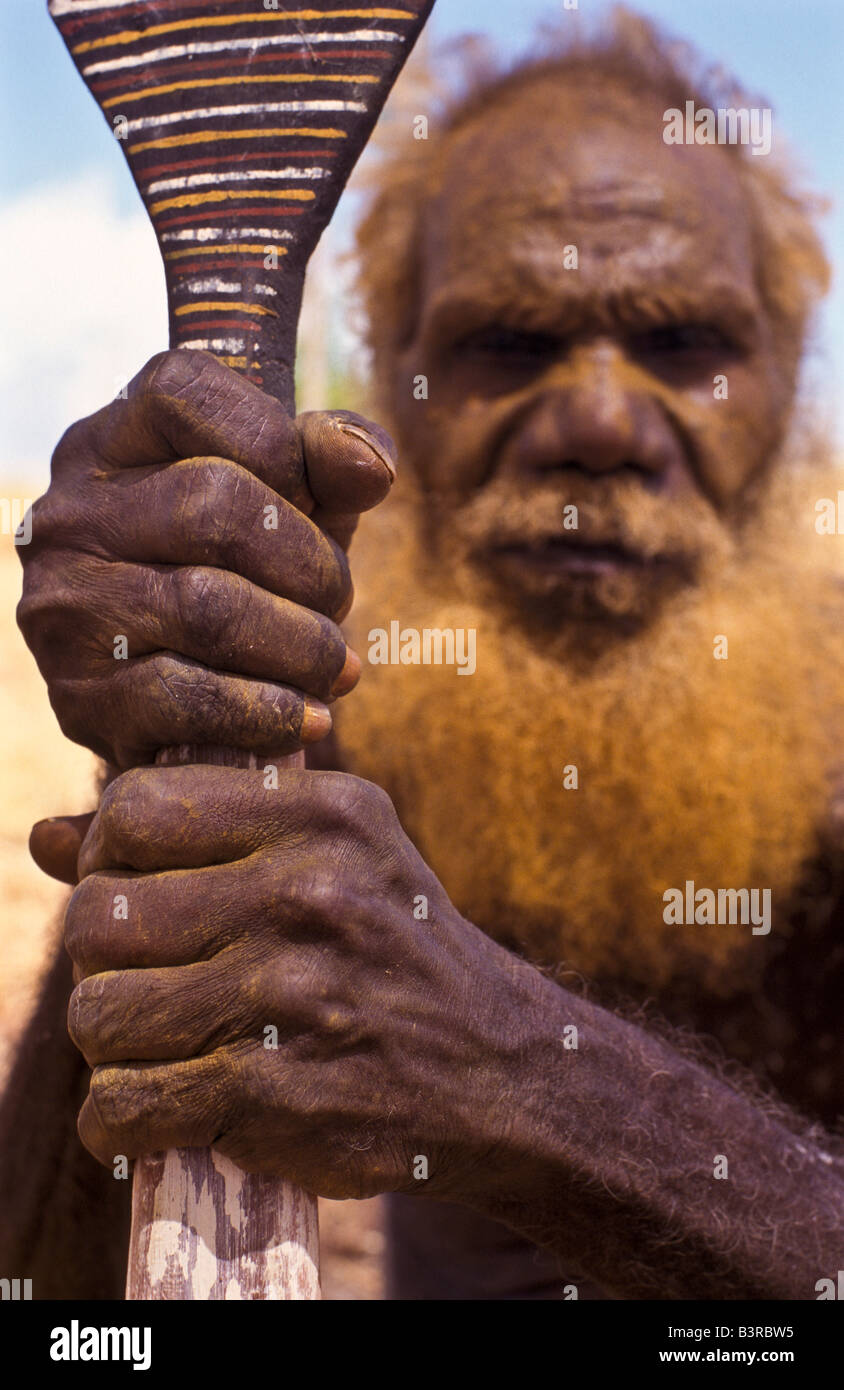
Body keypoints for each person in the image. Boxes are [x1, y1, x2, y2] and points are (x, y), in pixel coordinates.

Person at [3, 13, 842, 1299]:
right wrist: (153, 787)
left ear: (786, 377)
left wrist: (533, 1083)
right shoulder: (334, 725)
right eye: (505, 345)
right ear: (394, 381)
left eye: (685, 345)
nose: (602, 420)